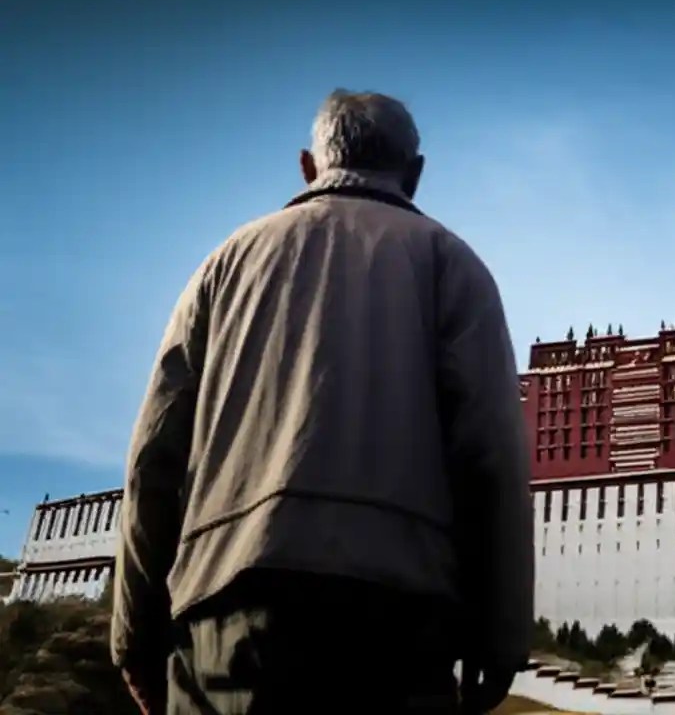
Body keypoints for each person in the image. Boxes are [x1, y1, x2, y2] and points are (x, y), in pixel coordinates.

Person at [110, 89, 534, 714]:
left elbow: (153, 458)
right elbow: (492, 454)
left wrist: (132, 636)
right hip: (396, 626)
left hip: (226, 611)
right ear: (414, 174)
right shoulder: (454, 266)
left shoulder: (222, 266)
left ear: (309, 166)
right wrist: (501, 635)